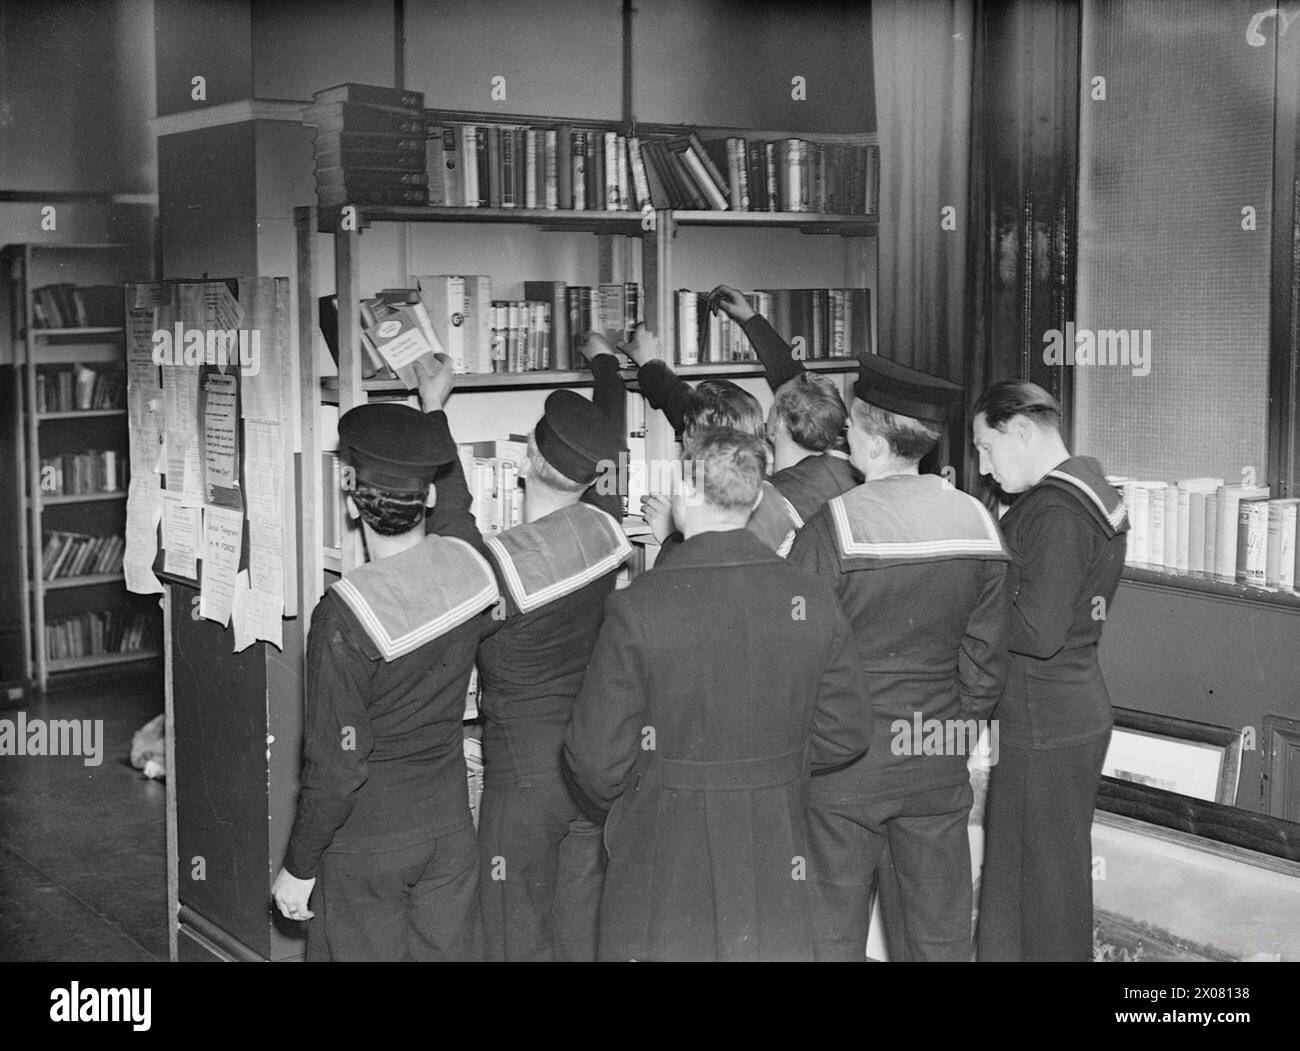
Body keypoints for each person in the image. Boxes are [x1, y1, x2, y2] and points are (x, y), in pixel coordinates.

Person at [564, 427, 872, 961]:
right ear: (755, 498)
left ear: (684, 491)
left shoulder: (639, 607)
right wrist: (772, 769)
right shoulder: (810, 594)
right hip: (776, 842)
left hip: (662, 847)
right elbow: (847, 731)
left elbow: (594, 760)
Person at [788, 356, 1013, 962]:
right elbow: (986, 663)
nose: (847, 437)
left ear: (874, 433)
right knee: (936, 941)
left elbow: (796, 661)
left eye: (853, 425)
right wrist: (950, 736)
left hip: (844, 771)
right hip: (934, 764)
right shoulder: (980, 523)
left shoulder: (831, 528)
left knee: (828, 939)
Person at [416, 353, 631, 961]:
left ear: (527, 460)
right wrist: (608, 372)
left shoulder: (496, 565)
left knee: (514, 935)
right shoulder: (607, 526)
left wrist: (435, 405)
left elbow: (452, 517)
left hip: (522, 776)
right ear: (594, 477)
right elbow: (615, 455)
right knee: (582, 930)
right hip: (595, 762)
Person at [272, 398, 499, 961]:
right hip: (449, 832)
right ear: (428, 495)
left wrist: (298, 868)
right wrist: (434, 408)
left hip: (368, 846)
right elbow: (458, 517)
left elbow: (335, 767)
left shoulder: (342, 615)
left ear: (351, 497)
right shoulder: (473, 569)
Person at [971, 380, 1128, 962]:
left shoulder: (1057, 510)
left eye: (987, 447)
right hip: (1058, 714)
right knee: (1036, 886)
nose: (984, 466)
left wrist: (972, 603)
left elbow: (1037, 631)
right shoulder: (1089, 489)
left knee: (1039, 895)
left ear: (1021, 430)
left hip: (1045, 723)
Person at [589, 326, 802, 555]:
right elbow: (689, 405)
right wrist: (650, 364)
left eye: (688, 431)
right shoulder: (763, 488)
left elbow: (711, 578)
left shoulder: (726, 517)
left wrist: (669, 536)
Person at [706, 284, 859, 523]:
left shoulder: (769, 499)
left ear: (775, 423)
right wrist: (750, 319)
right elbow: (800, 389)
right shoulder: (848, 472)